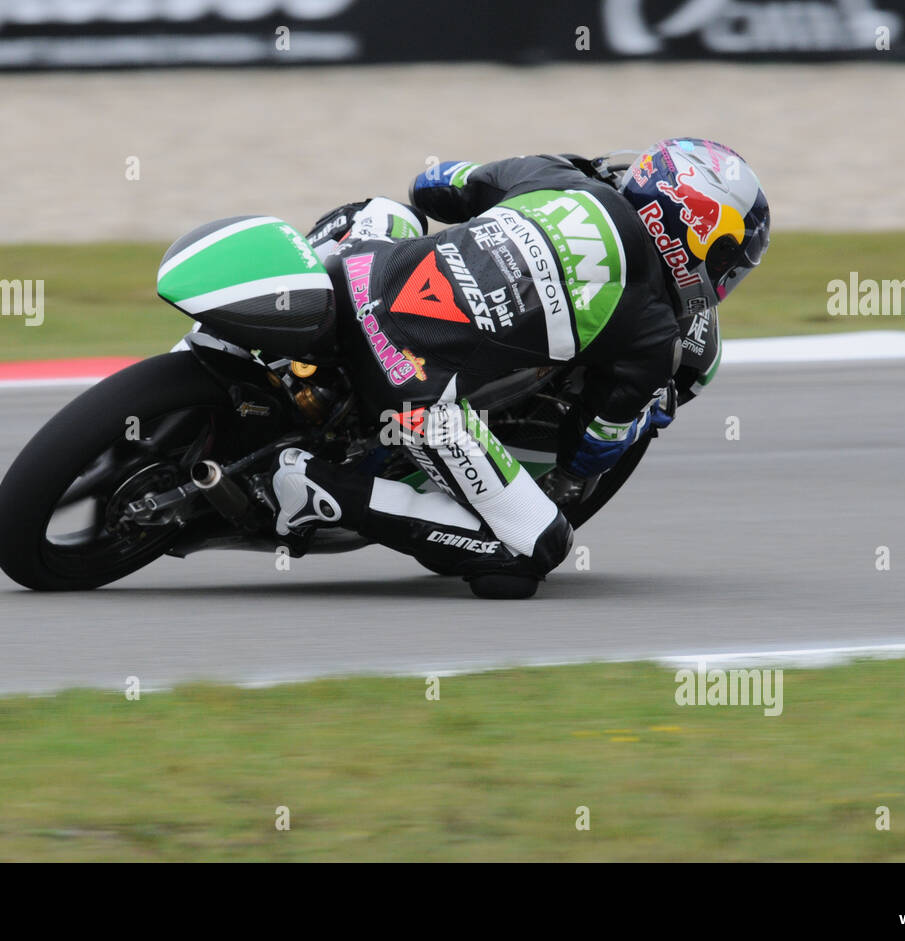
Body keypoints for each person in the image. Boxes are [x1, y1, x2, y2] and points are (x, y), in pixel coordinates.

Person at [271, 139, 770, 598]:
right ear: (699, 235)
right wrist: (645, 415)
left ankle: (271, 315)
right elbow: (588, 450)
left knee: (385, 212)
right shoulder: (653, 332)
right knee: (536, 547)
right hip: (407, 384)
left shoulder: (553, 176)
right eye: (727, 260)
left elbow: (432, 186)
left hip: (357, 271)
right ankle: (318, 487)